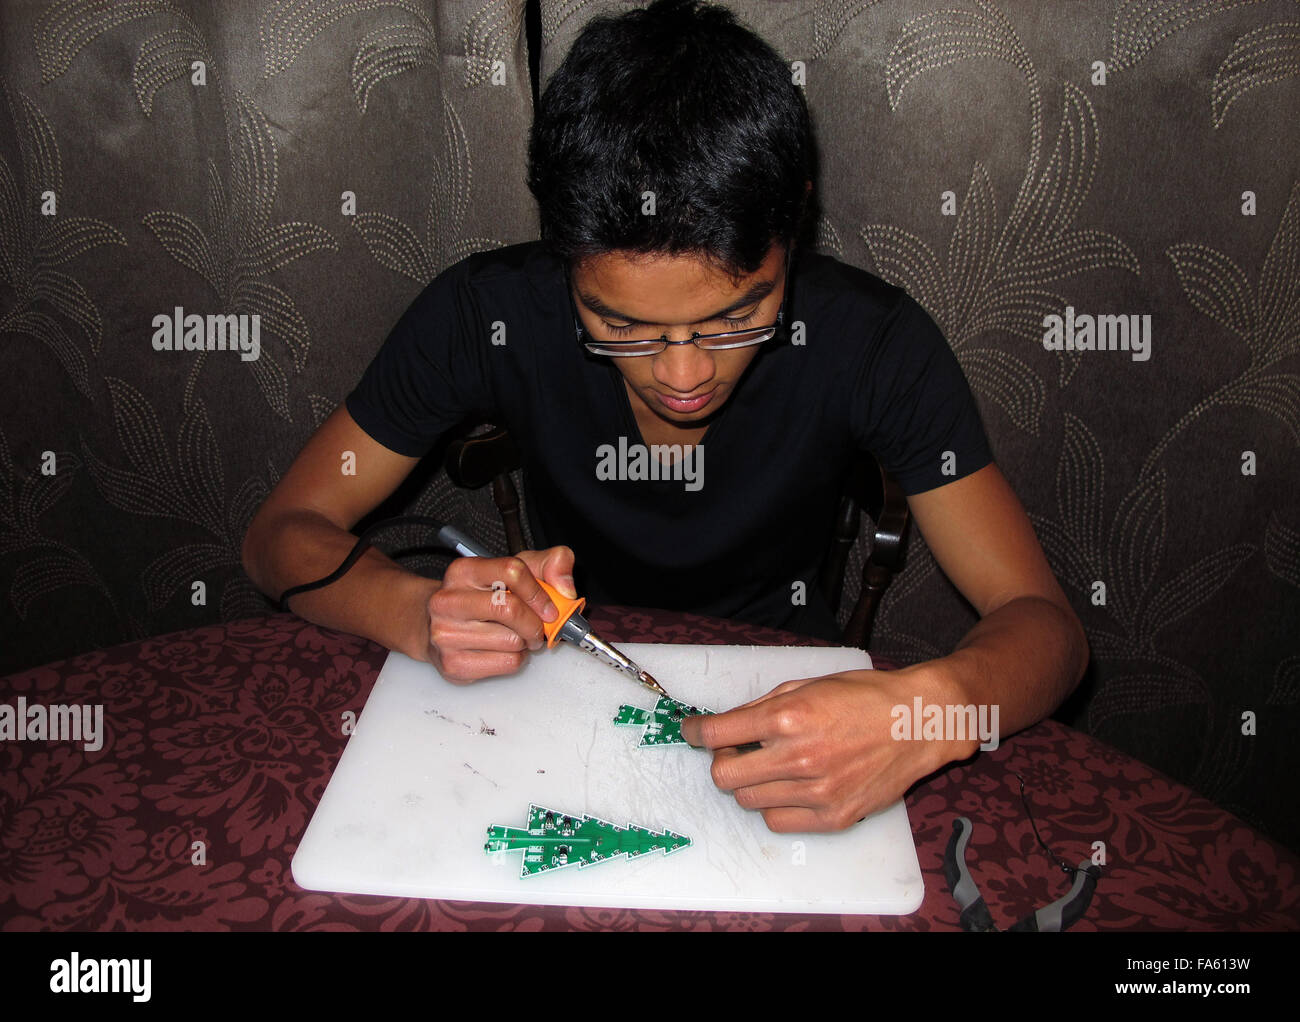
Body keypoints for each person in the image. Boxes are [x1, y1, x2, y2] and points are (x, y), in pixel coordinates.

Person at [241, 0, 1087, 833]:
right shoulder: (484, 314)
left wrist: (924, 713)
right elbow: (281, 534)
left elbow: (1048, 631)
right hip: (554, 688)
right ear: (563, 256)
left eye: (736, 315)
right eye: (621, 326)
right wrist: (414, 612)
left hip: (784, 685)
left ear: (795, 220)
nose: (683, 376)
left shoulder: (875, 343)